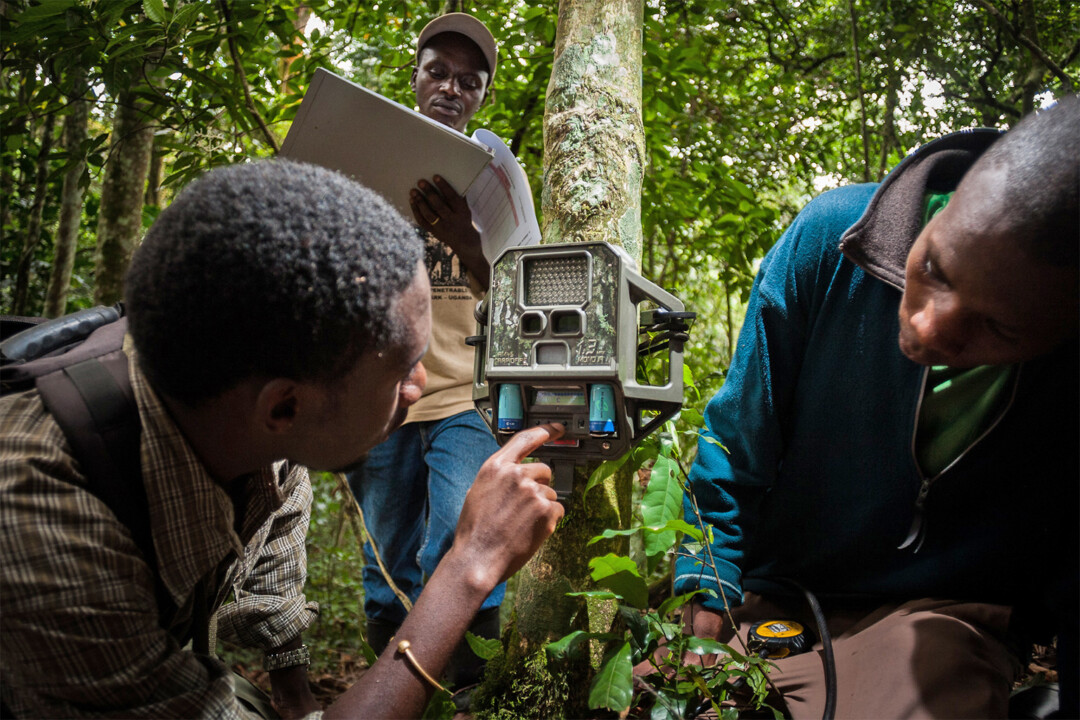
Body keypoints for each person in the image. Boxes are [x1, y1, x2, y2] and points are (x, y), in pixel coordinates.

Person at [0, 159, 565, 719]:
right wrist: (471, 564)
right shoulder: (49, 534)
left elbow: (272, 559)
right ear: (285, 406)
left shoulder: (245, 412)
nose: (421, 385)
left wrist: (293, 686)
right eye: (402, 370)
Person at [667, 96, 1079, 718]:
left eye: (995, 326)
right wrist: (709, 584)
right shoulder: (830, 237)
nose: (928, 327)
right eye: (935, 267)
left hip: (949, 612)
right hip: (782, 595)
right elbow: (736, 440)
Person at [347, 12, 508, 679]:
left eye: (467, 82)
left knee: (464, 537)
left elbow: (520, 290)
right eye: (437, 72)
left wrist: (470, 243)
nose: (449, 89)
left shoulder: (495, 176)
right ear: (414, 78)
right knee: (385, 556)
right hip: (379, 393)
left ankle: (467, 686)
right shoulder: (369, 163)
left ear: (481, 97)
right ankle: (391, 683)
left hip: (462, 392)